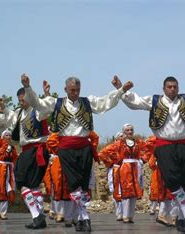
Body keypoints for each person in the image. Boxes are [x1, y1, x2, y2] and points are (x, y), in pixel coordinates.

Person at [22, 73, 132, 232]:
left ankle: (81, 218)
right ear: (65, 89)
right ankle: (85, 216)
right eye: (72, 90)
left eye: (77, 90)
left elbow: (105, 102)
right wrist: (27, 87)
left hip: (84, 148)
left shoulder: (87, 102)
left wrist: (121, 90)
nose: (75, 93)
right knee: (73, 184)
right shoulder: (56, 103)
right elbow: (37, 103)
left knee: (82, 184)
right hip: (66, 149)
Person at [121, 73, 185, 232]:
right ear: (164, 88)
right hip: (165, 146)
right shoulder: (155, 101)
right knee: (171, 180)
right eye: (169, 87)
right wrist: (121, 89)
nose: (172, 89)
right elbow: (135, 102)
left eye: (175, 87)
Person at [0, 81, 54, 229]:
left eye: (24, 99)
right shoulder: (19, 113)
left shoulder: (38, 110)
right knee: (33, 186)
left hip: (37, 150)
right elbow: (9, 119)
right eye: (19, 100)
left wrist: (47, 94)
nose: (21, 103)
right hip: (26, 151)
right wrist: (2, 108)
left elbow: (49, 107)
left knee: (21, 183)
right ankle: (39, 217)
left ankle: (36, 215)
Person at [98, 123, 146, 223]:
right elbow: (103, 152)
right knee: (126, 192)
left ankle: (131, 216)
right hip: (125, 168)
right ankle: (124, 215)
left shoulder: (138, 142)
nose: (130, 132)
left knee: (134, 193)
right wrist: (114, 161)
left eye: (131, 130)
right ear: (124, 131)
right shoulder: (120, 143)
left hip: (136, 168)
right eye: (127, 130)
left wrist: (142, 160)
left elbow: (149, 149)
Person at [146, 135, 173, 226]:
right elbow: (149, 145)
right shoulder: (157, 139)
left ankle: (168, 215)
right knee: (165, 191)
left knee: (171, 192)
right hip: (163, 167)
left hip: (171, 166)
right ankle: (162, 214)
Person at [0, 130, 18, 220]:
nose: (8, 137)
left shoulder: (12, 147)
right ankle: (2, 212)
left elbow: (15, 158)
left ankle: (1, 211)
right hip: (1, 168)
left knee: (9, 190)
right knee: (3, 189)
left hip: (10, 169)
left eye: (9, 135)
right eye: (6, 135)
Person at [99, 132, 124, 221]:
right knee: (114, 190)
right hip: (115, 169)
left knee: (124, 190)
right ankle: (118, 211)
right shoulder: (112, 146)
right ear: (116, 138)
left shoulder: (126, 146)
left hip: (125, 169)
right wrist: (110, 163)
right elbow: (101, 154)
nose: (122, 137)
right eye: (121, 136)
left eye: (123, 136)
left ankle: (124, 212)